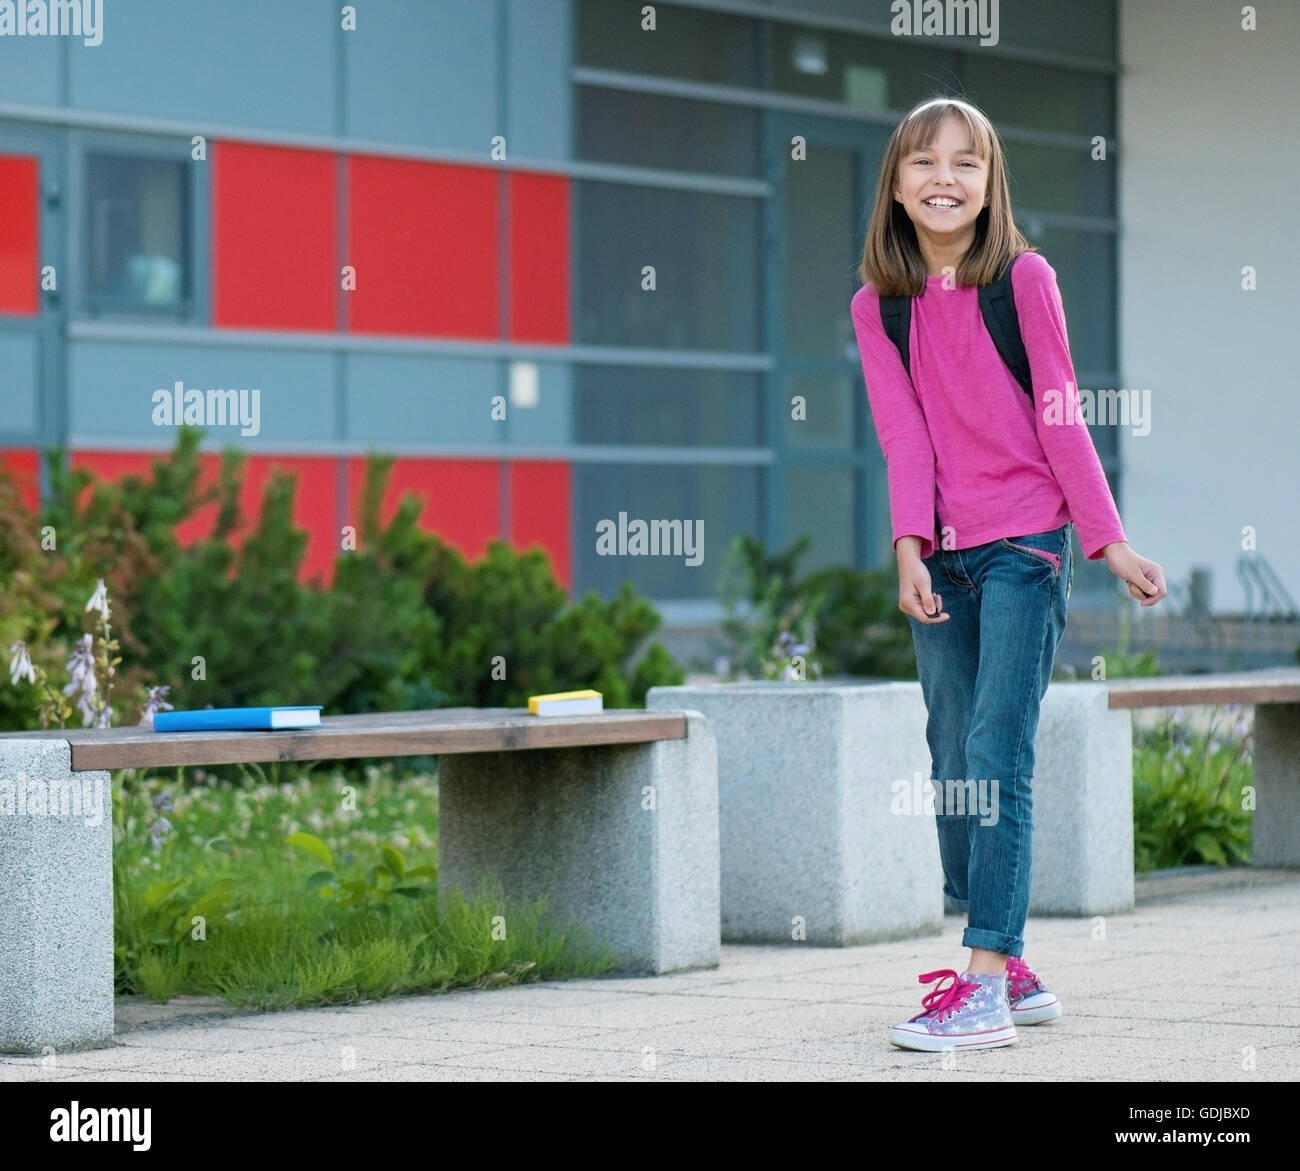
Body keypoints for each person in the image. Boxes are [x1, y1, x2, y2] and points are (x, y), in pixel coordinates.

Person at [850, 95, 1167, 1051]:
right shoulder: (879, 306)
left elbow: (1062, 413)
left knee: (998, 750)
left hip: (1027, 546)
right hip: (942, 557)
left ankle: (985, 976)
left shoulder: (1022, 280)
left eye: (965, 164)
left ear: (991, 185)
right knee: (952, 757)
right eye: (923, 163)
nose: (943, 179)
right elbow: (902, 435)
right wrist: (907, 545)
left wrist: (1107, 539)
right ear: (896, 186)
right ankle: (1012, 953)